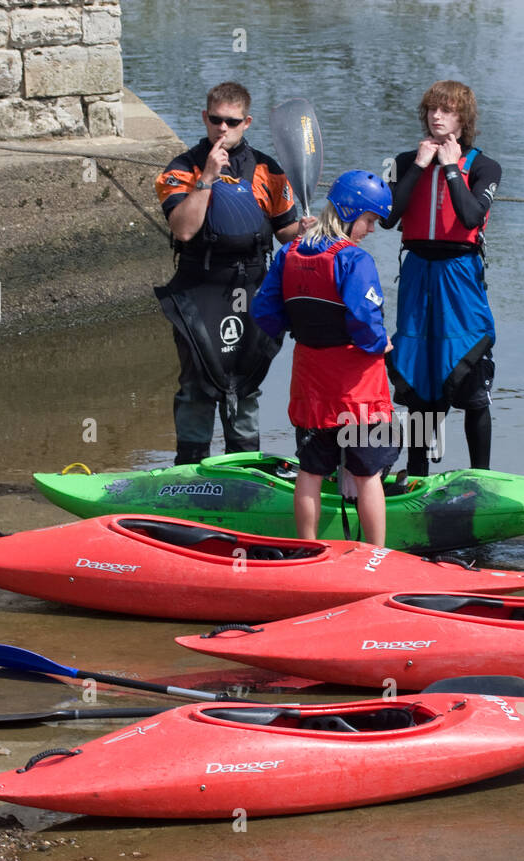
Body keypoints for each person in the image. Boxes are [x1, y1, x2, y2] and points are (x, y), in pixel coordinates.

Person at [154, 82, 314, 465]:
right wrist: (207, 177)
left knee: (246, 384)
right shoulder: (182, 168)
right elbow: (184, 229)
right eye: (215, 119)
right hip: (200, 287)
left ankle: (244, 466)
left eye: (231, 121)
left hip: (254, 288)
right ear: (205, 118)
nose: (222, 128)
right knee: (197, 384)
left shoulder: (267, 170)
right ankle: (190, 468)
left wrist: (303, 231)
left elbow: (284, 230)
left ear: (247, 122)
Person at [250, 171, 399, 547]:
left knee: (311, 470)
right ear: (349, 212)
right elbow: (365, 320)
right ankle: (376, 554)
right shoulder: (355, 261)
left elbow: (264, 313)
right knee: (368, 474)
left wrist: (304, 325)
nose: (371, 229)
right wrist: (379, 343)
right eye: (369, 219)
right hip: (356, 388)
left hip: (311, 380)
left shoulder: (289, 253)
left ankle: (308, 548)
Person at [381, 80, 501, 475]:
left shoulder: (485, 167)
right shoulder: (404, 161)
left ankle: (480, 477)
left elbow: (470, 216)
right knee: (419, 377)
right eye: (432, 109)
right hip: (418, 274)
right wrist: (418, 166)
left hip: (460, 275)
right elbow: (388, 217)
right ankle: (416, 475)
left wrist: (451, 167)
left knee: (468, 373)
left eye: (447, 111)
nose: (436, 116)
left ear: (463, 119)